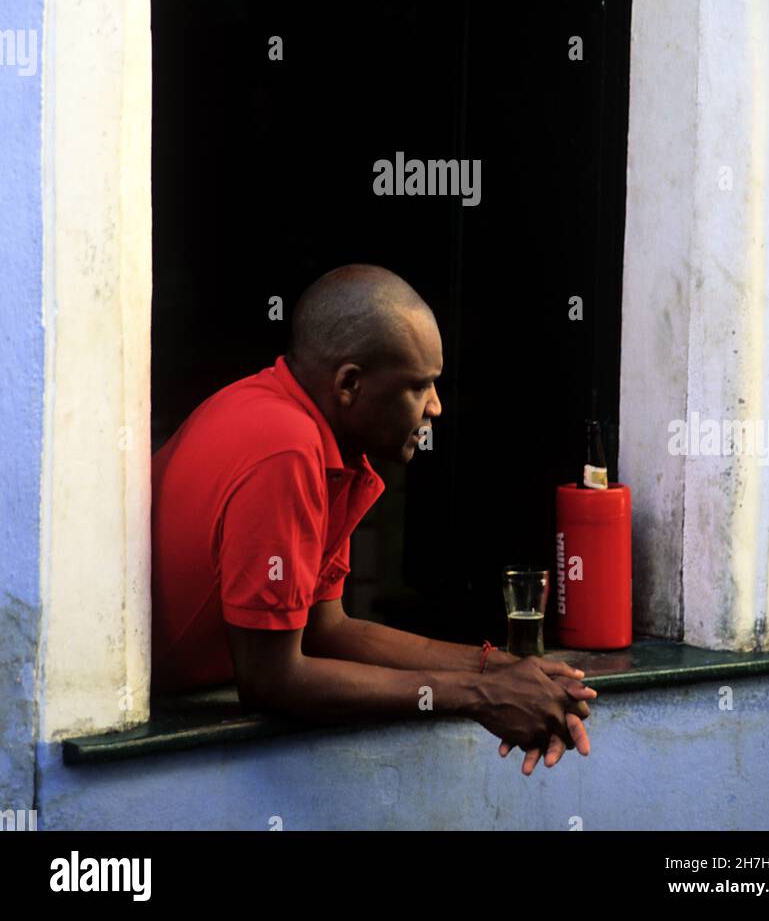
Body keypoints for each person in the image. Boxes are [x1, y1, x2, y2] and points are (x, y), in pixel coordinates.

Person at [151, 262, 596, 774]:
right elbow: (271, 680)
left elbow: (327, 627)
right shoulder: (284, 448)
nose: (435, 408)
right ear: (350, 384)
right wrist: (481, 695)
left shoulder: (309, 432)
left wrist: (503, 669)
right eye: (419, 386)